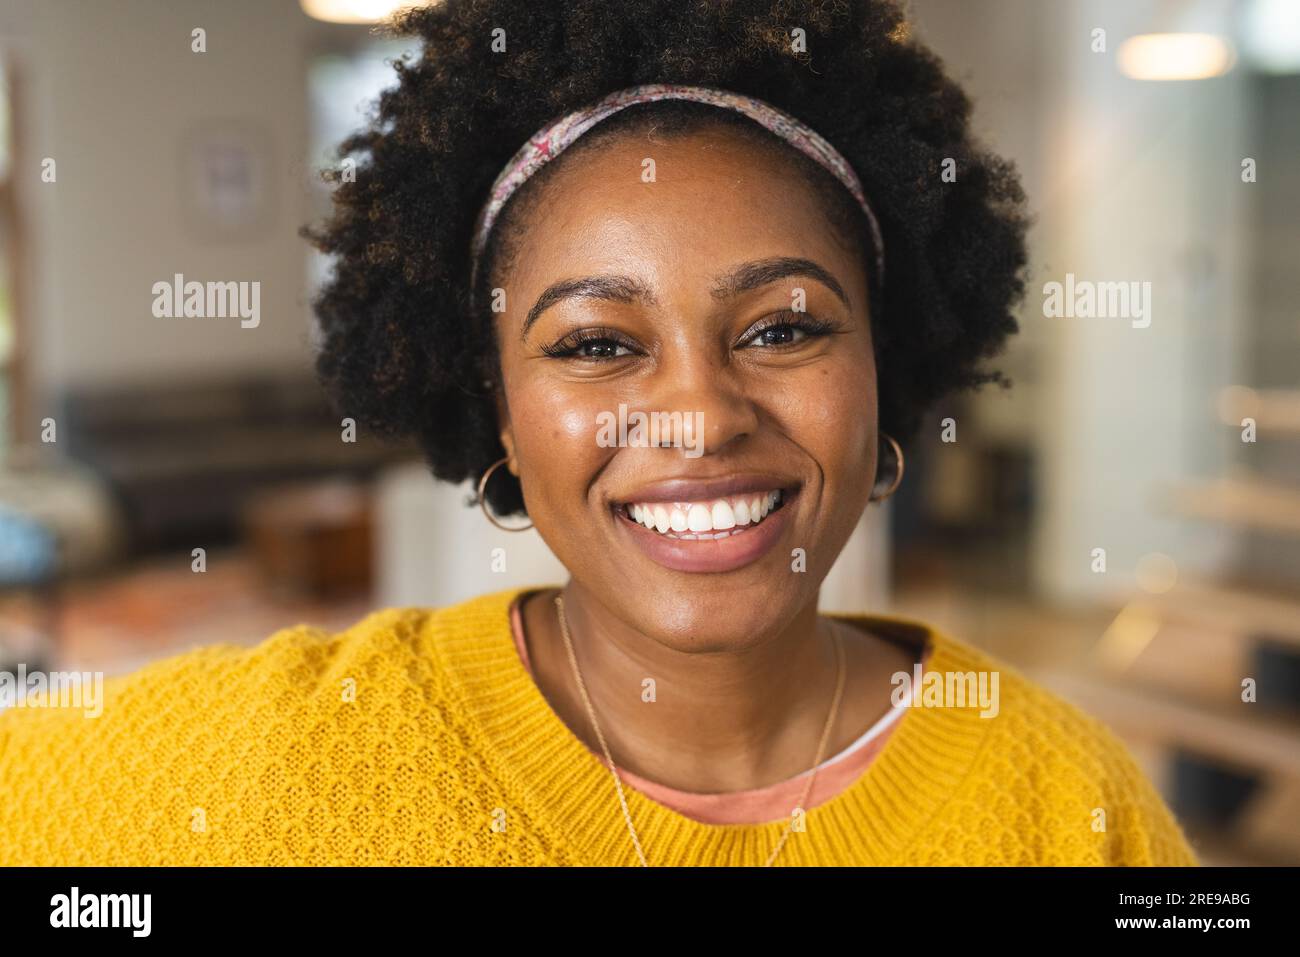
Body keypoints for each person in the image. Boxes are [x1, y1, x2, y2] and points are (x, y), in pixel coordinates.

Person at [0, 0, 1198, 866]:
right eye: (592, 344)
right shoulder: (274, 760)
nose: (699, 416)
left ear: (884, 367)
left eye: (783, 329)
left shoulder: (1063, 804)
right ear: (503, 416)